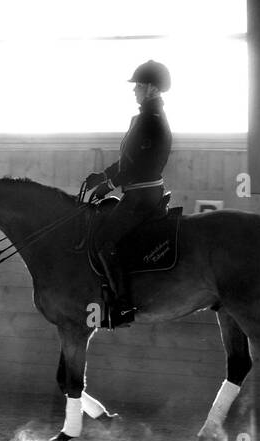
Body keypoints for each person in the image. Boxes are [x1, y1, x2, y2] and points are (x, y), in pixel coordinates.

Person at [83, 60, 173, 325]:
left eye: (138, 86)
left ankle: (123, 304)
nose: (134, 90)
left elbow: (140, 166)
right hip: (137, 192)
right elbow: (127, 161)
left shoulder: (151, 121)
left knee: (104, 240)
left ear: (151, 89)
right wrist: (103, 176)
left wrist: (109, 186)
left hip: (142, 196)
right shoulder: (143, 118)